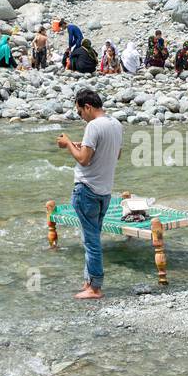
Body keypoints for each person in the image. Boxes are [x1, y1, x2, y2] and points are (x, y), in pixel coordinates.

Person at [57, 88, 122, 300]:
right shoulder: (116, 124)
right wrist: (82, 145)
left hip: (87, 189)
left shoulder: (93, 126)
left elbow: (84, 160)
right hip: (105, 192)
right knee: (91, 237)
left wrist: (67, 144)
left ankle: (95, 287)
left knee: (91, 240)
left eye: (79, 112)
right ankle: (89, 282)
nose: (80, 117)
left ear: (88, 107)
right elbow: (115, 154)